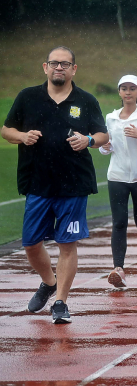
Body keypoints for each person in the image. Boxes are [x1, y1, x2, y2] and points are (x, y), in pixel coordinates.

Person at [1, 46, 108, 323]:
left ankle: (60, 301)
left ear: (74, 69)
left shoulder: (85, 100)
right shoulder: (28, 97)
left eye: (65, 63)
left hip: (74, 182)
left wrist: (89, 140)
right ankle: (49, 282)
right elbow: (6, 130)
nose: (59, 67)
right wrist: (22, 137)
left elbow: (102, 134)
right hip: (37, 181)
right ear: (45, 67)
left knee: (67, 242)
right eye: (54, 63)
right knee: (31, 244)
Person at [99, 75, 137, 287]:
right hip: (117, 176)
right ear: (119, 92)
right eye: (124, 88)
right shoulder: (111, 118)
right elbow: (108, 146)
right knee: (119, 222)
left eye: (133, 88)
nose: (128, 92)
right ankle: (118, 268)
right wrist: (105, 147)